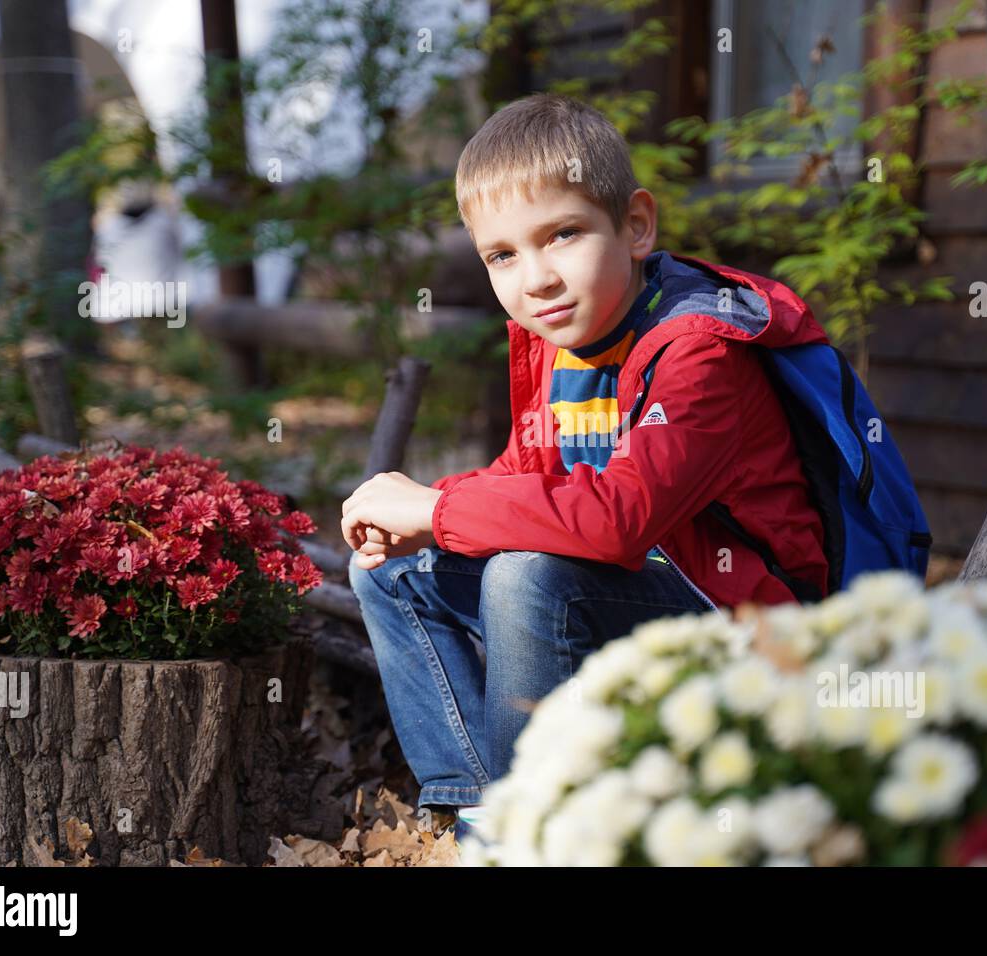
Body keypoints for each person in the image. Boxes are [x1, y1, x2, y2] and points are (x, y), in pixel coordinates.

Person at [342, 92, 829, 839]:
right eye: (502, 255)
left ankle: (531, 835)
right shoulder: (557, 346)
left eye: (562, 234)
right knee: (387, 571)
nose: (534, 278)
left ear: (635, 225)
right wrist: (421, 510)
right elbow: (525, 476)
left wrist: (434, 511)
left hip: (744, 629)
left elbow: (616, 523)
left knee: (525, 574)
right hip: (626, 605)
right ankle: (479, 815)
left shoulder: (699, 351)